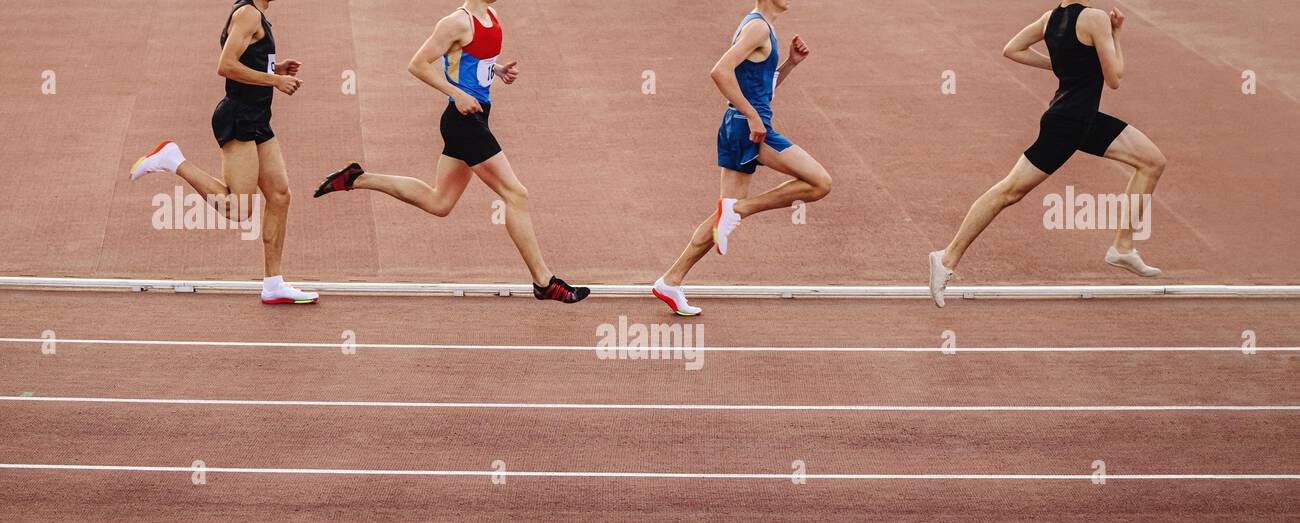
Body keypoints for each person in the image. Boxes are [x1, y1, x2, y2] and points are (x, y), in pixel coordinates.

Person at [314, 0, 590, 304]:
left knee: (439, 202)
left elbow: (467, 60)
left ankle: (358, 178)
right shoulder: (456, 22)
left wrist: (496, 70)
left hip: (475, 117)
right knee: (516, 194)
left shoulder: (491, 15)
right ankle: (543, 281)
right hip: (463, 121)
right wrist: (456, 93)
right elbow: (417, 64)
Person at [928, 2, 1168, 307]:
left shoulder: (1050, 18)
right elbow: (1115, 78)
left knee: (1151, 161)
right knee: (1009, 192)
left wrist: (1057, 63)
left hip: (1081, 118)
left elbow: (1013, 49)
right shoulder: (1094, 18)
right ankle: (946, 258)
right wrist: (1117, 34)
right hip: (1068, 124)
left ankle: (1122, 247)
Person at [129, 0, 318, 305]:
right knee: (238, 209)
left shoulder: (257, 15)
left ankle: (273, 283)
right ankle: (172, 159)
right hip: (238, 117)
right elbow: (225, 65)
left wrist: (274, 66)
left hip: (257, 119)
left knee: (280, 196)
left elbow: (245, 59)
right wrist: (276, 80)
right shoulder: (248, 13)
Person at [652, 0, 831, 317]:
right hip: (749, 131)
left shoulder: (763, 27)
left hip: (741, 128)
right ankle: (740, 210)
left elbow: (760, 87)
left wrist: (790, 63)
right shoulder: (758, 26)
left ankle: (671, 279)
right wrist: (752, 116)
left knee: (720, 220)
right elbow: (719, 71)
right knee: (819, 183)